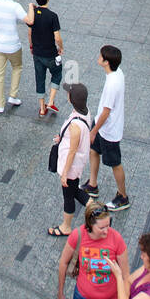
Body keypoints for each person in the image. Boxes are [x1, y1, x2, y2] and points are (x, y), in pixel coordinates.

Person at [57, 203, 129, 299]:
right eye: (101, 227)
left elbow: (126, 275)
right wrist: (60, 292)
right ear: (90, 225)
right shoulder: (77, 235)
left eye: (108, 225)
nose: (107, 231)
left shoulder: (116, 239)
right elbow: (63, 263)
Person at [83, 45, 129, 211]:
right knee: (93, 151)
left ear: (106, 62)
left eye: (101, 56)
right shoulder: (117, 72)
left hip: (109, 130)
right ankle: (92, 184)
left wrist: (93, 131)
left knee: (115, 163)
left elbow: (106, 112)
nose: (99, 57)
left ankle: (123, 196)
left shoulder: (112, 84)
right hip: (102, 125)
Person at [48, 81, 92, 237]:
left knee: (69, 195)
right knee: (74, 190)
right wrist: (62, 137)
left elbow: (72, 150)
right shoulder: (85, 113)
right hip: (77, 163)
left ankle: (66, 226)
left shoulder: (75, 125)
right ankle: (95, 209)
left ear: (71, 99)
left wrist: (65, 173)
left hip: (71, 166)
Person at [0, 0, 27, 114]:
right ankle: (13, 95)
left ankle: (0, 105)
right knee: (17, 67)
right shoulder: (15, 6)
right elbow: (28, 20)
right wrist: (31, 8)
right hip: (12, 45)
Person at [25, 0, 63, 118]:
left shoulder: (32, 15)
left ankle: (42, 108)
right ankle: (51, 101)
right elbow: (57, 37)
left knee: (39, 78)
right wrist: (61, 47)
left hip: (37, 53)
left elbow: (29, 33)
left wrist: (31, 47)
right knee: (57, 73)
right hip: (51, 53)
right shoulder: (53, 16)